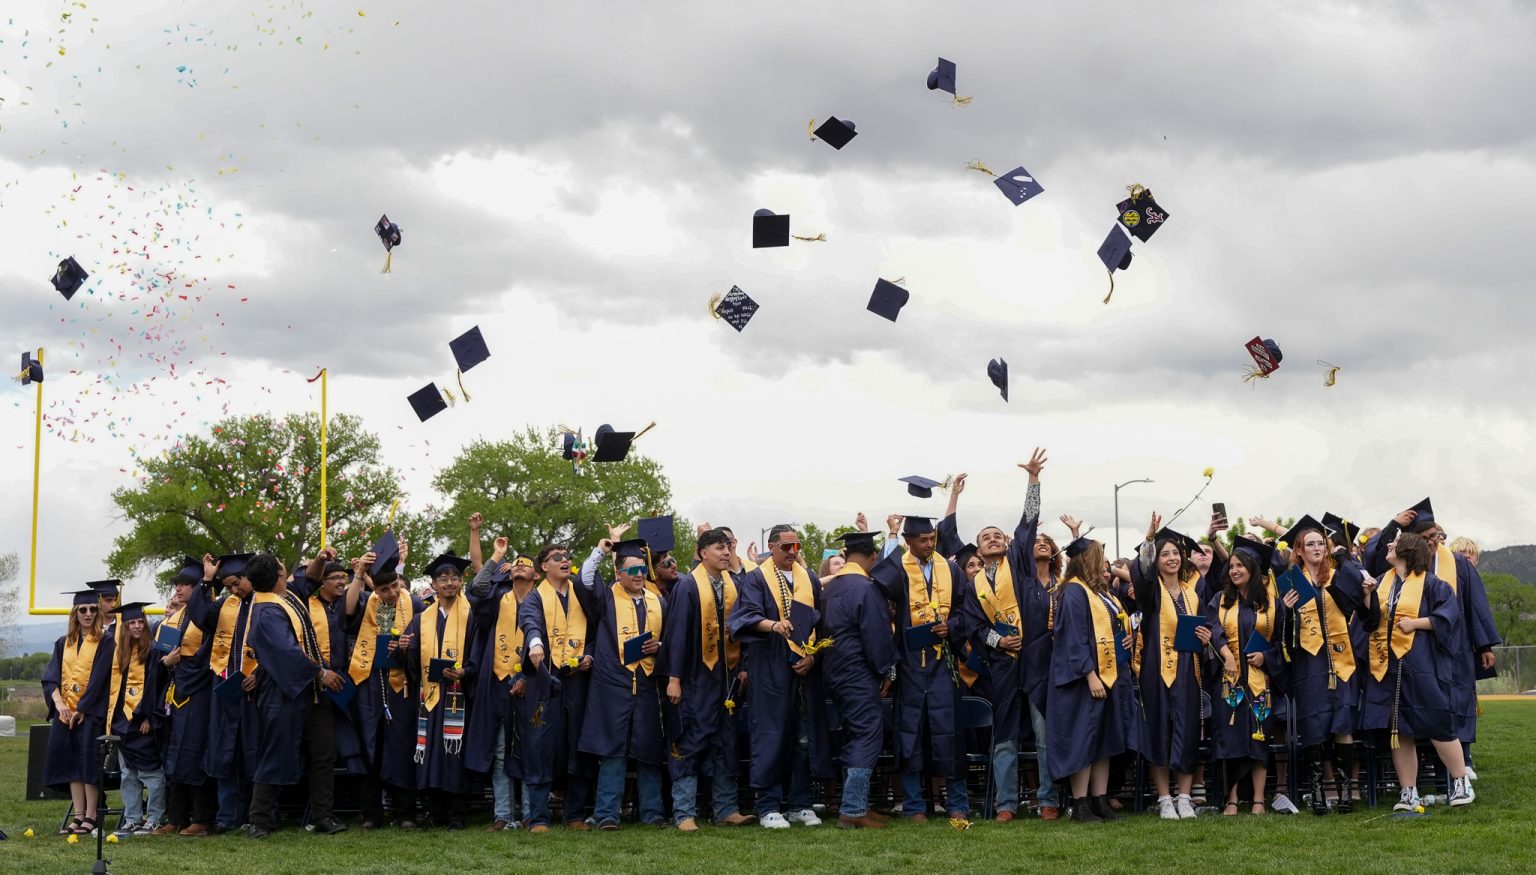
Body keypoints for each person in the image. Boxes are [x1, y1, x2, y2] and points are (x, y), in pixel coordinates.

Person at [949, 450, 1062, 822]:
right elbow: (972, 626)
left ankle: (1048, 800)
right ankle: (1006, 804)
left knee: (1045, 735)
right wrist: (999, 642)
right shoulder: (974, 584)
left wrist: (1033, 480)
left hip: (1036, 661)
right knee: (1005, 739)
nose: (993, 539)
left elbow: (1028, 523)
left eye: (998, 535)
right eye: (986, 537)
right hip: (1002, 665)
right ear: (978, 549)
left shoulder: (1020, 564)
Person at [1364, 501, 1499, 787]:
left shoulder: (1455, 565)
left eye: (1436, 536)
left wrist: (1483, 645)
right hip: (1403, 660)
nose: (1434, 542)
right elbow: (1372, 612)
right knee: (1404, 725)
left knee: (1444, 712)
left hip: (1448, 651)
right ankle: (1411, 787)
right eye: (1427, 538)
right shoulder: (1385, 580)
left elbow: (1472, 607)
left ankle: (1462, 767)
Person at [871, 514, 975, 822]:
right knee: (910, 733)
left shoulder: (952, 569)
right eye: (922, 539)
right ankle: (915, 806)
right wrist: (890, 536)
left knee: (949, 732)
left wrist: (951, 627)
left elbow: (963, 613)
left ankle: (956, 803)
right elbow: (879, 582)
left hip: (944, 664)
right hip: (911, 664)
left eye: (932, 538)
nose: (929, 544)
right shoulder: (899, 568)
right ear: (908, 541)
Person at [729, 524, 834, 829]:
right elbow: (743, 618)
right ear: (772, 547)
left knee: (803, 738)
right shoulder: (757, 578)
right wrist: (772, 624)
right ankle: (768, 805)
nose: (792, 552)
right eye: (786, 547)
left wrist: (814, 656)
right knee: (771, 735)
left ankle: (800, 803)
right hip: (770, 667)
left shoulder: (809, 578)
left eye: (796, 547)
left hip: (804, 669)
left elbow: (822, 625)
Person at [1360, 531, 1473, 809]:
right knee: (1400, 731)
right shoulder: (1385, 584)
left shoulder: (1434, 585)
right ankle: (1408, 792)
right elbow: (1371, 621)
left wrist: (1416, 623)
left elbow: (1449, 619)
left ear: (1408, 551)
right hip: (1390, 669)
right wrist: (1366, 597)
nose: (1388, 546)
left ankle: (1461, 782)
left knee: (1437, 723)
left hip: (1423, 666)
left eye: (1394, 544)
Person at [242, 554, 349, 838]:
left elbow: (309, 579)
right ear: (279, 572)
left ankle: (322, 816)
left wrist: (319, 559)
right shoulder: (267, 610)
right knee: (274, 753)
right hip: (283, 691)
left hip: (311, 692)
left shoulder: (285, 596)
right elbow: (286, 652)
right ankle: (259, 821)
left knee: (323, 754)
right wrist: (322, 674)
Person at [663, 528, 756, 831]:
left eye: (728, 547)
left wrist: (742, 666)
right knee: (691, 739)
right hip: (694, 677)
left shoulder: (734, 585)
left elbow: (741, 631)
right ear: (703, 553)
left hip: (726, 677)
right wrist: (674, 678)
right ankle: (684, 813)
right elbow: (675, 636)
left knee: (725, 742)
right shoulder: (688, 586)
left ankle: (726, 809)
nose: (726, 553)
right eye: (719, 548)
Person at [1118, 514, 1207, 820]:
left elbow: (1202, 629)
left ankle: (1184, 797)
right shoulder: (1150, 590)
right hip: (1156, 670)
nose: (1171, 558)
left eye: (1175, 553)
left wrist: (1205, 636)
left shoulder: (1192, 593)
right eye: (1165, 553)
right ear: (1157, 560)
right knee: (1159, 731)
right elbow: (1139, 573)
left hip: (1187, 669)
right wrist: (1149, 541)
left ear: (1182, 559)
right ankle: (1164, 798)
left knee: (1187, 730)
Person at [1048, 536, 1140, 822]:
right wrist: (1090, 675)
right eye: (1098, 556)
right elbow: (1072, 639)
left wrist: (1128, 637)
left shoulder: (1101, 593)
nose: (1103, 562)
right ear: (1085, 560)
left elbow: (1116, 624)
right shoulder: (1074, 592)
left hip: (1110, 674)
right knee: (1084, 739)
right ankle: (1082, 803)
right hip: (1085, 678)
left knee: (1105, 740)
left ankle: (1100, 800)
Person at [1279, 515, 1367, 814]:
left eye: (1320, 543)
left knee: (1343, 723)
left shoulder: (1340, 575)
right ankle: (1318, 791)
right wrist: (1287, 610)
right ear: (1299, 550)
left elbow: (1360, 611)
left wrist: (1347, 559)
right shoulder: (1291, 581)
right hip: (1309, 662)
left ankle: (1344, 792)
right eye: (1310, 544)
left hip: (1342, 661)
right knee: (1314, 725)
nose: (1316, 548)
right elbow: (1283, 633)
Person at [578, 538, 668, 829]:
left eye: (642, 569)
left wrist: (660, 646)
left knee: (648, 751)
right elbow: (584, 580)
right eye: (632, 570)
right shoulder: (606, 597)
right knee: (612, 752)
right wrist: (601, 550)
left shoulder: (659, 600)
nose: (639, 574)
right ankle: (607, 815)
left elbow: (673, 637)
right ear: (618, 574)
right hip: (612, 685)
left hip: (646, 683)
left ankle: (652, 814)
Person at [818, 531, 896, 829]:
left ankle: (859, 803)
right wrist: (887, 670)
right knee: (868, 734)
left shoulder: (830, 588)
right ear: (872, 558)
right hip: (858, 671)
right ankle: (852, 808)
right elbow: (876, 637)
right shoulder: (865, 587)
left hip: (833, 671)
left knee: (854, 733)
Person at [519, 543, 599, 832]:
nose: (565, 561)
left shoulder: (581, 593)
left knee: (579, 745)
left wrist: (589, 654)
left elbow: (594, 629)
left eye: (567, 557)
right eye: (557, 558)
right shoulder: (535, 598)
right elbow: (530, 623)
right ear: (544, 566)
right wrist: (536, 643)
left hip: (577, 681)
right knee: (541, 746)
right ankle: (538, 817)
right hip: (546, 680)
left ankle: (575, 814)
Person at [1205, 538, 1286, 816]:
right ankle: (1232, 798)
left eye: (1240, 565)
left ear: (1252, 568)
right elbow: (1213, 629)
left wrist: (1266, 657)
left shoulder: (1272, 604)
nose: (1234, 570)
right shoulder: (1221, 599)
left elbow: (1282, 642)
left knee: (1259, 736)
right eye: (1231, 566)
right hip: (1229, 680)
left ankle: (1259, 799)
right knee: (1229, 736)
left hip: (1260, 680)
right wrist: (1226, 654)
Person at [347, 551, 425, 829]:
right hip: (370, 684)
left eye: (395, 586)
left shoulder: (415, 604)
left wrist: (407, 648)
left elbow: (424, 645)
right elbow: (347, 612)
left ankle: (406, 813)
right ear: (375, 590)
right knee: (371, 747)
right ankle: (372, 813)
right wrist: (359, 574)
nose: (392, 592)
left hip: (401, 687)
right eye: (384, 589)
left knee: (402, 746)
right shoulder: (369, 605)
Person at [465, 538, 538, 831]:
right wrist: (497, 557)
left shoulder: (544, 600)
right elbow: (476, 589)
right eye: (516, 563)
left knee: (531, 749)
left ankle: (532, 813)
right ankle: (504, 814)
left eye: (526, 564)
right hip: (498, 681)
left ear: (537, 574)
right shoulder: (498, 598)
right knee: (499, 751)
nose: (519, 565)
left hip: (533, 682)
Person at [403, 552, 477, 829]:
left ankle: (457, 815)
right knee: (432, 752)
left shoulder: (471, 615)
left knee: (454, 754)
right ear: (433, 584)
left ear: (461, 581)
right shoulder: (422, 618)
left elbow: (478, 655)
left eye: (454, 577)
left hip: (459, 696)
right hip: (430, 695)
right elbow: (411, 657)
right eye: (442, 578)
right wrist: (404, 648)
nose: (449, 582)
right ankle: (434, 813)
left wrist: (465, 671)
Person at [42, 588, 115, 836]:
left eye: (92, 609)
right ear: (75, 612)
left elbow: (100, 679)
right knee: (71, 764)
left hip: (90, 714)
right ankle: (79, 815)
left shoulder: (106, 641)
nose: (87, 613)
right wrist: (61, 705)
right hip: (64, 715)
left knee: (88, 763)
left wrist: (82, 708)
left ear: (97, 612)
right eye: (82, 610)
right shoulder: (63, 643)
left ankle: (92, 816)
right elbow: (50, 679)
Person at [158, 555, 221, 835]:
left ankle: (202, 817)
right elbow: (162, 655)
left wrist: (183, 667)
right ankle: (176, 817)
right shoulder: (176, 618)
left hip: (201, 693)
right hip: (176, 695)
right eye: (177, 585)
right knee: (175, 755)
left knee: (197, 753)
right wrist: (166, 664)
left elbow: (208, 657)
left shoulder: (211, 613)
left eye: (185, 584)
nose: (178, 589)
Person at [202, 553, 259, 834]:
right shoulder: (226, 605)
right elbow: (202, 617)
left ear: (249, 577)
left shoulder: (266, 604)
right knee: (225, 753)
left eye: (237, 583)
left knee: (253, 754)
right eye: (229, 587)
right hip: (226, 690)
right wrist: (208, 580)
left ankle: (255, 814)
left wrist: (259, 675)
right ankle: (227, 816)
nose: (234, 590)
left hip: (255, 692)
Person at [106, 601, 168, 836]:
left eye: (140, 621)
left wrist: (151, 717)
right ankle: (133, 818)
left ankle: (155, 817)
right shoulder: (119, 652)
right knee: (128, 774)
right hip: (122, 722)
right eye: (131, 622)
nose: (136, 626)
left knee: (151, 773)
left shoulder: (154, 650)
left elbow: (157, 687)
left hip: (142, 721)